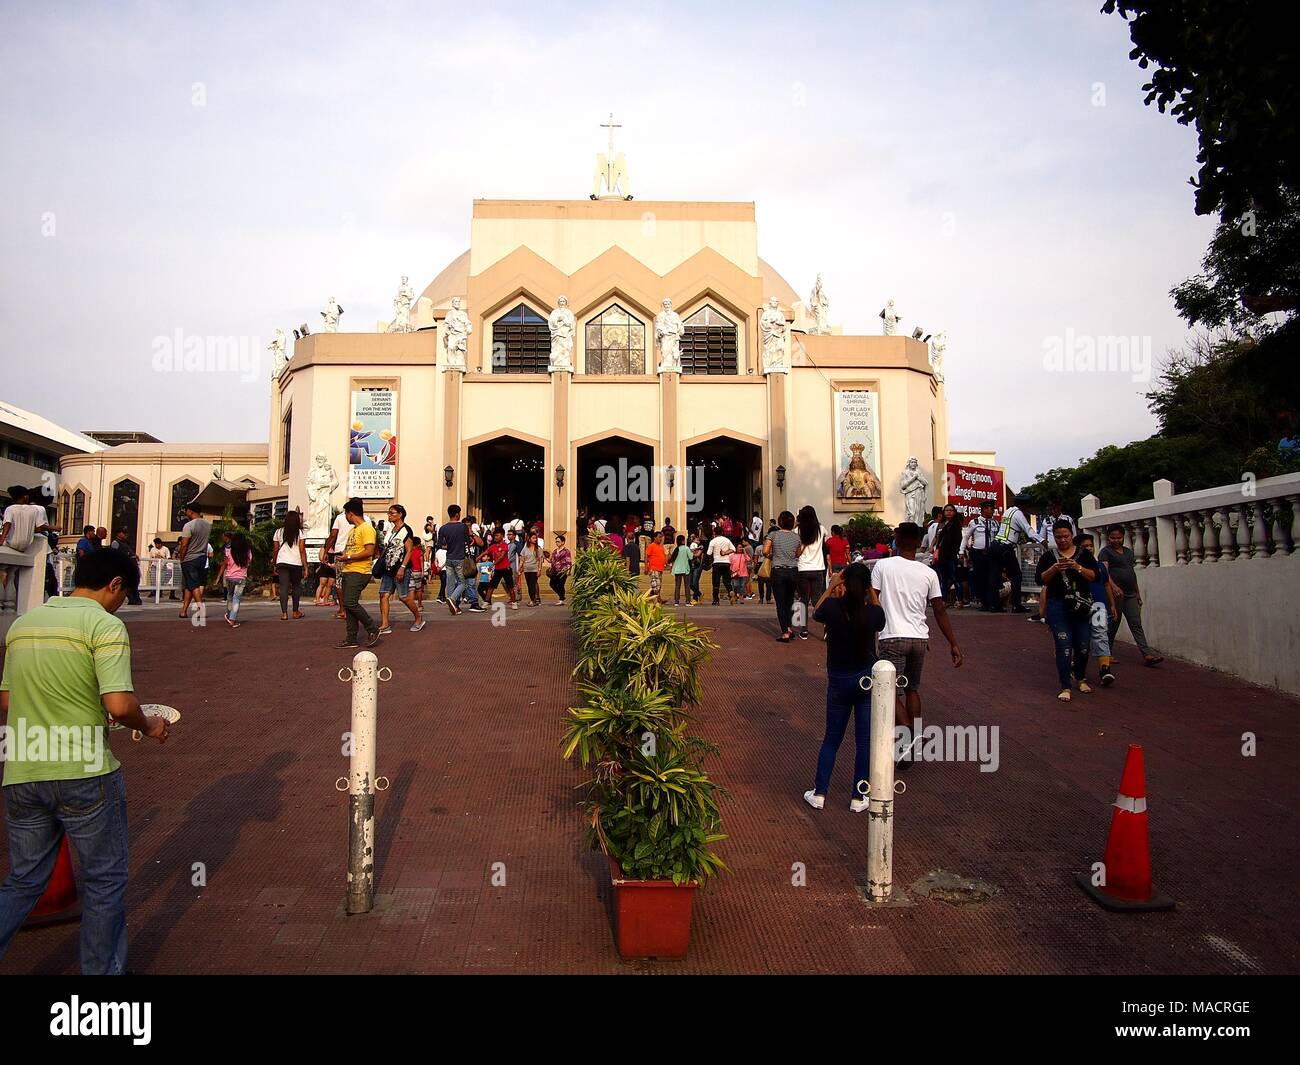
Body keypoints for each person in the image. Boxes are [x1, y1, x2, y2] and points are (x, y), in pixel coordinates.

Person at [0, 548, 169, 974]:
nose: (121, 604)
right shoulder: (104, 626)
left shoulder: (24, 625)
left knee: (23, 881)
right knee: (104, 883)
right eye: (123, 595)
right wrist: (149, 726)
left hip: (23, 767)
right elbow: (117, 703)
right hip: (85, 771)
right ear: (114, 585)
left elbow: (7, 699)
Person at [870, 522, 964, 767]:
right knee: (912, 688)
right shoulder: (928, 573)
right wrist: (953, 643)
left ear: (898, 541)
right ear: (918, 542)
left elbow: (873, 600)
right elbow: (940, 609)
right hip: (920, 638)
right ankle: (912, 737)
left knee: (889, 691)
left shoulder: (883, 565)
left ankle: (908, 731)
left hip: (892, 636)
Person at [803, 564, 887, 812]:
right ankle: (859, 797)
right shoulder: (871, 612)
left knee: (832, 738)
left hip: (838, 679)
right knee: (864, 741)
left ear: (845, 583)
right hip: (865, 679)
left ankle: (819, 792)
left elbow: (815, 612)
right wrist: (870, 590)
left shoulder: (832, 607)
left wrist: (831, 586)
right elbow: (881, 619)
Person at [1036, 520, 1098, 702]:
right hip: (1058, 605)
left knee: (1083, 645)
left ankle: (1080, 676)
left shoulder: (1084, 554)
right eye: (1058, 537)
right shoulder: (1049, 556)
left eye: (1066, 536)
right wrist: (1055, 568)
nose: (1062, 540)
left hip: (1080, 604)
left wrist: (1077, 567)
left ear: (1072, 535)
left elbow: (1095, 576)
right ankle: (1065, 685)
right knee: (1063, 646)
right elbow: (1041, 579)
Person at [1098, 524, 1163, 668]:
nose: (1116, 541)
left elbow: (1131, 574)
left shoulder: (1128, 552)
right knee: (1113, 623)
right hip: (1116, 594)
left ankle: (1146, 653)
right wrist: (1114, 587)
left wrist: (1137, 593)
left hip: (1130, 593)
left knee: (1136, 623)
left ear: (1123, 537)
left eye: (1118, 538)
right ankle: (1106, 653)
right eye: (1113, 538)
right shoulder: (1105, 552)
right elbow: (1105, 572)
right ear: (1108, 538)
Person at [336, 498, 381, 648]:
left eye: (346, 514)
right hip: (349, 570)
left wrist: (348, 557)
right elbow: (353, 550)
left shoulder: (366, 528)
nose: (346, 517)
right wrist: (344, 556)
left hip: (360, 571)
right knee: (349, 606)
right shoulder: (353, 530)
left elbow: (369, 551)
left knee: (349, 602)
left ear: (351, 514)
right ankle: (351, 638)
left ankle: (372, 628)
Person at [1075, 531, 1118, 686]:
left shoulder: (1100, 566)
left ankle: (1105, 669)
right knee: (1082, 639)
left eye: (1090, 546)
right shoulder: (1075, 567)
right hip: (1081, 606)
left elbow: (1106, 585)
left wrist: (1112, 604)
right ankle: (1077, 668)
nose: (1088, 549)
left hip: (1099, 606)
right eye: (1084, 546)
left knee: (1101, 636)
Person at [988, 495, 1042, 613]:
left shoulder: (1008, 511)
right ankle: (1016, 605)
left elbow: (1010, 530)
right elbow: (1029, 531)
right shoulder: (1018, 514)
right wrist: (1042, 541)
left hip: (995, 545)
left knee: (994, 576)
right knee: (1016, 575)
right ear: (1023, 505)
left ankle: (994, 605)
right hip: (1005, 548)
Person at [377, 504, 423, 633]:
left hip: (401, 568)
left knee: (403, 596)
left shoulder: (406, 530)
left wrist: (402, 567)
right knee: (383, 595)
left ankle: (418, 617)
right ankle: (385, 624)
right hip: (388, 568)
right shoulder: (391, 531)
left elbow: (409, 551)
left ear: (400, 514)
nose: (389, 515)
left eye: (392, 513)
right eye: (389, 513)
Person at [437, 504, 484, 615]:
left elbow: (439, 544)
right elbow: (467, 541)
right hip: (460, 558)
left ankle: (454, 606)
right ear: (457, 514)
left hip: (449, 558)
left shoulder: (443, 528)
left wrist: (450, 546)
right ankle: (452, 599)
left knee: (451, 582)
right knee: (463, 582)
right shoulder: (462, 527)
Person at [764, 511, 802, 642]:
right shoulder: (797, 537)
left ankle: (785, 632)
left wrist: (771, 556)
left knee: (780, 603)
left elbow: (765, 551)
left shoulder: (773, 534)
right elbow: (798, 554)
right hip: (792, 570)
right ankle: (790, 627)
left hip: (778, 570)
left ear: (780, 522)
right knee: (789, 601)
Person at [795, 505, 829, 640]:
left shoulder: (797, 530)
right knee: (817, 599)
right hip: (818, 568)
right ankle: (826, 623)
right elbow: (825, 540)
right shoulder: (821, 529)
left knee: (802, 599)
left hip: (802, 568)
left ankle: (803, 630)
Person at [174, 504, 211, 620]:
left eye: (187, 512)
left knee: (193, 584)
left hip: (190, 558)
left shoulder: (188, 525)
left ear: (190, 512)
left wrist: (182, 558)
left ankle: (201, 609)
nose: (186, 514)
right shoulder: (207, 525)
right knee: (189, 585)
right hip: (202, 557)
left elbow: (184, 544)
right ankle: (184, 610)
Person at [960, 499, 998, 611]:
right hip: (978, 554)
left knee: (992, 578)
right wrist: (961, 551)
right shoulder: (974, 522)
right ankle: (984, 602)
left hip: (991, 554)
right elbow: (966, 537)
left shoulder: (994, 523)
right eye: (991, 508)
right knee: (980, 579)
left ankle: (993, 602)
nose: (993, 511)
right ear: (985, 509)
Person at [271, 510, 309, 621]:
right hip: (296, 563)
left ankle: (284, 613)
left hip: (282, 562)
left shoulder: (278, 532)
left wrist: (274, 564)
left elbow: (275, 550)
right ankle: (295, 611)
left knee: (284, 587)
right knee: (296, 587)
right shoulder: (300, 533)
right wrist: (306, 567)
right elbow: (302, 551)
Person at [211, 531, 252, 628]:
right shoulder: (247, 552)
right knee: (236, 599)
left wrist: (218, 577)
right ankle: (233, 620)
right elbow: (249, 563)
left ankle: (229, 615)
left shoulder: (228, 551)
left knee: (230, 596)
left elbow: (224, 564)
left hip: (229, 577)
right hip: (241, 578)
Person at [322, 506, 353, 620]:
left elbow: (333, 535)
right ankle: (350, 608)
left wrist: (326, 551)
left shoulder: (340, 518)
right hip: (356, 554)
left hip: (341, 552)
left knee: (340, 582)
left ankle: (343, 609)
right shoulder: (365, 519)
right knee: (352, 581)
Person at [932, 504, 964, 605]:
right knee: (943, 579)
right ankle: (944, 600)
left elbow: (957, 540)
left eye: (951, 510)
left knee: (955, 578)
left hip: (951, 554)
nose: (949, 512)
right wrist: (936, 550)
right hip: (941, 555)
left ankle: (959, 600)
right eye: (946, 510)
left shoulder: (956, 525)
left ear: (954, 512)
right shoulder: (941, 524)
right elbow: (938, 539)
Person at [484, 528, 518, 610]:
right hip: (498, 570)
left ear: (502, 536)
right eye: (494, 536)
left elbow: (502, 556)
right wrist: (478, 557)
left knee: (510, 586)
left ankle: (514, 602)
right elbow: (486, 552)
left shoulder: (505, 545)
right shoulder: (493, 546)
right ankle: (486, 601)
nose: (495, 537)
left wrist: (493, 564)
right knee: (491, 586)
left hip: (506, 569)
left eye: (497, 535)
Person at [108, 530, 143, 605]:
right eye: (123, 533)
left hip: (131, 564)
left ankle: (136, 599)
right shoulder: (115, 543)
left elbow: (128, 551)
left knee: (134, 581)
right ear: (118, 534)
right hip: (124, 566)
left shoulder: (125, 543)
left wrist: (134, 555)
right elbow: (114, 553)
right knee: (127, 582)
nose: (125, 535)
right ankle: (132, 598)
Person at [706, 525, 734, 605]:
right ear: (722, 532)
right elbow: (733, 549)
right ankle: (730, 591)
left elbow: (709, 553)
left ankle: (716, 600)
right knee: (727, 581)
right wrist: (725, 552)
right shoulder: (727, 540)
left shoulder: (713, 541)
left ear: (714, 532)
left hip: (717, 563)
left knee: (716, 582)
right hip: (726, 563)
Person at [148, 537, 178, 602]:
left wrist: (162, 558)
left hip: (162, 566)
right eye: (155, 544)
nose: (156, 545)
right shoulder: (152, 549)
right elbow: (150, 558)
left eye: (157, 544)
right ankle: (153, 592)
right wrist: (149, 567)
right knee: (153, 579)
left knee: (161, 580)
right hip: (154, 566)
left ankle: (159, 592)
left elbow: (168, 558)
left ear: (160, 544)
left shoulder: (165, 549)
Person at [545, 533, 572, 603]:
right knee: (552, 584)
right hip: (554, 571)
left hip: (562, 571)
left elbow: (569, 561)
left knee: (561, 584)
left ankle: (561, 599)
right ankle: (562, 596)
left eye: (558, 541)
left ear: (563, 542)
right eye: (556, 541)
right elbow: (552, 560)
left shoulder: (566, 551)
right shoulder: (554, 551)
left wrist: (568, 570)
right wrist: (546, 558)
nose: (557, 543)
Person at [519, 530, 544, 606]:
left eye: (536, 538)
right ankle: (533, 599)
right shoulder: (525, 549)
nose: (535, 539)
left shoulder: (538, 549)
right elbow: (522, 559)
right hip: (527, 569)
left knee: (532, 584)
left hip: (534, 569)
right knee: (529, 585)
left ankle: (532, 600)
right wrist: (520, 568)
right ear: (529, 539)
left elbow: (540, 561)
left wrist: (539, 570)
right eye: (533, 538)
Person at [644, 530, 667, 603]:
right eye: (659, 537)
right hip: (653, 569)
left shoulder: (660, 547)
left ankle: (658, 599)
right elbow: (646, 556)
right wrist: (646, 567)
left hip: (660, 569)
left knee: (659, 585)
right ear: (655, 538)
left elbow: (663, 556)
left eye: (661, 537)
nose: (660, 539)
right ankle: (649, 597)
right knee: (656, 586)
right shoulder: (651, 546)